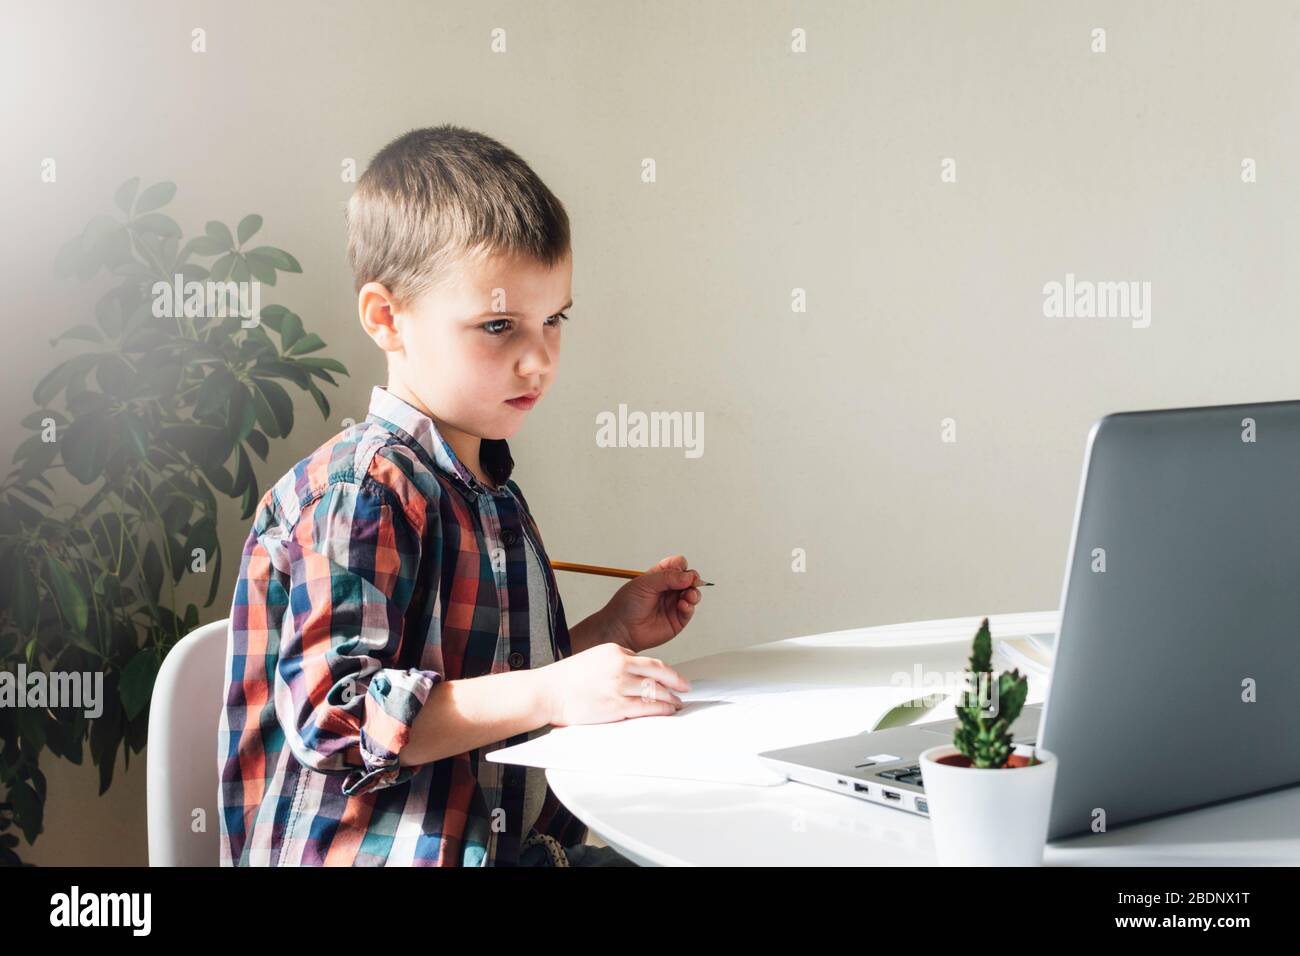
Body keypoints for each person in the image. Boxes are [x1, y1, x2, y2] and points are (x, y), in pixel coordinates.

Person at [217, 125, 703, 866]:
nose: (538, 359)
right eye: (499, 325)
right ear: (387, 318)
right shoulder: (361, 491)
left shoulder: (490, 492)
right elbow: (336, 717)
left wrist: (609, 636)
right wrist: (554, 693)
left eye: (554, 321)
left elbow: (487, 694)